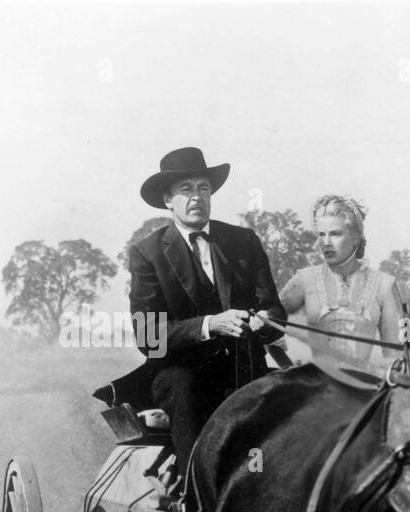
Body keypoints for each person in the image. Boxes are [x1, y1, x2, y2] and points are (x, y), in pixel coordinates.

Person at [100, 147, 287, 469]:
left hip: (246, 368)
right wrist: (210, 325)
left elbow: (274, 310)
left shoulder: (244, 241)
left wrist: (264, 321)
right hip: (181, 375)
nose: (197, 197)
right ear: (167, 200)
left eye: (203, 188)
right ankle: (194, 498)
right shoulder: (148, 253)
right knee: (184, 388)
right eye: (186, 190)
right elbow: (148, 336)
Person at [278, 195, 410, 372]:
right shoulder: (304, 279)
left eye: (335, 234)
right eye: (321, 234)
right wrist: (286, 367)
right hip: (314, 390)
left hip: (369, 391)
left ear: (356, 237)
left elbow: (399, 357)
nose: (325, 242)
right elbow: (268, 322)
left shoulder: (386, 285)